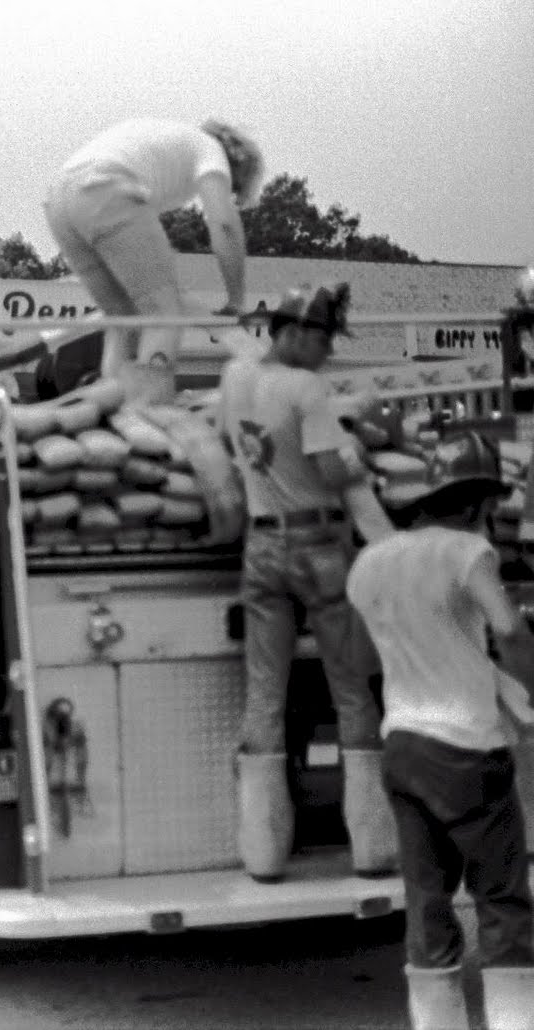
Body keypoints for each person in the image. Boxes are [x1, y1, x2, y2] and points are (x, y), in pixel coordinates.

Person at [346, 432, 534, 1030]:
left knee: (427, 900)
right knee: (501, 899)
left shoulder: (371, 561)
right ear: (478, 501)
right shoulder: (467, 552)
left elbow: (359, 660)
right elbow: (508, 630)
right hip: (468, 749)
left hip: (401, 745)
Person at [217, 282, 395, 882]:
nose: (326, 354)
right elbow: (327, 468)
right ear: (293, 334)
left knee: (266, 690)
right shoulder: (306, 386)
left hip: (261, 547)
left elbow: (250, 444)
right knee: (351, 686)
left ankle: (263, 853)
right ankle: (372, 846)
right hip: (320, 546)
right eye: (322, 341)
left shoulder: (235, 378)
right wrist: (357, 454)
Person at [44, 118, 264, 403]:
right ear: (237, 168)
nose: (229, 193)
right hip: (106, 187)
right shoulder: (211, 152)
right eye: (234, 189)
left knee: (121, 319)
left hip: (60, 200)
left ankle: (110, 408)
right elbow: (224, 224)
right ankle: (147, 409)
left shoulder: (169, 142)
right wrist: (236, 299)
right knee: (164, 314)